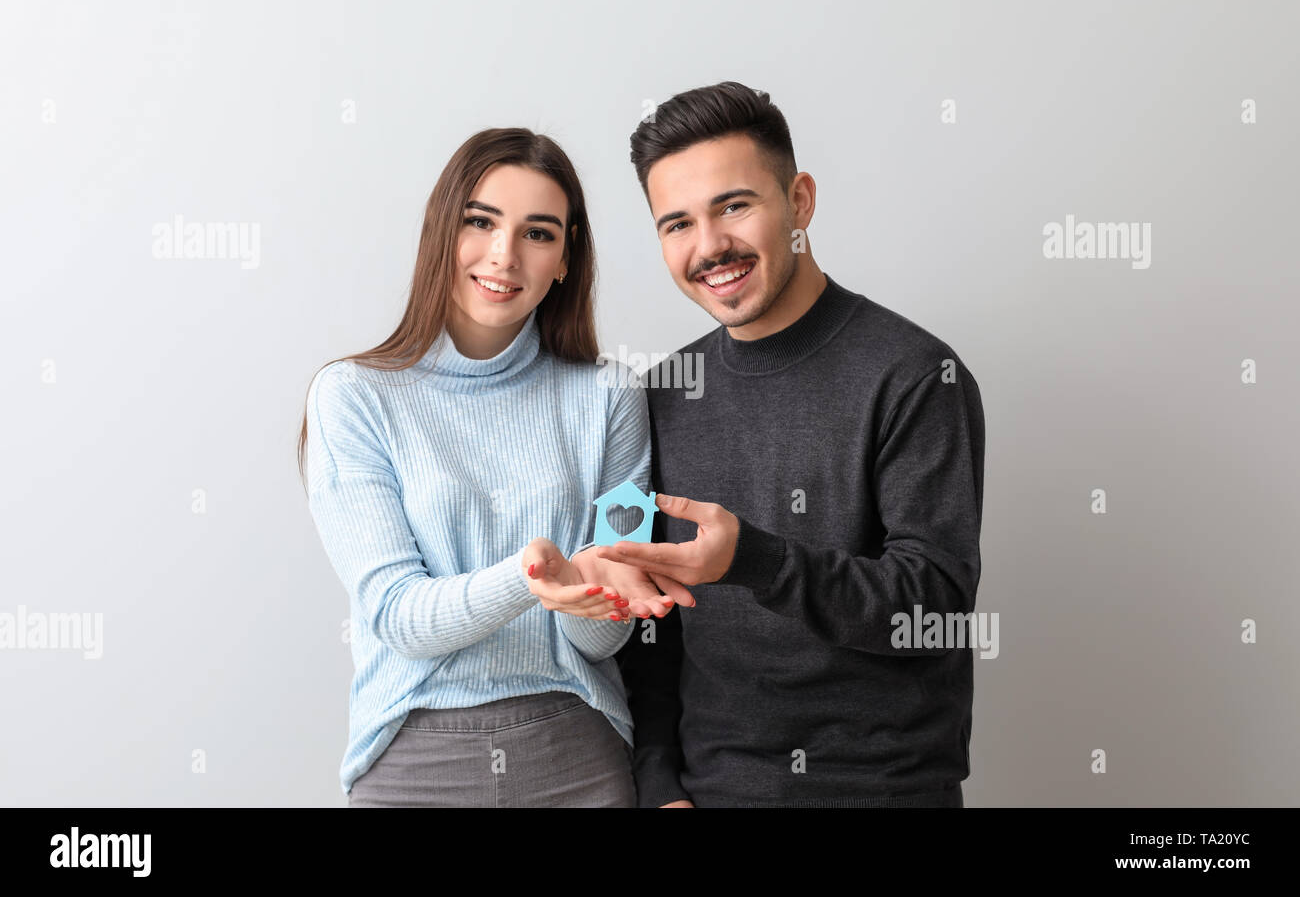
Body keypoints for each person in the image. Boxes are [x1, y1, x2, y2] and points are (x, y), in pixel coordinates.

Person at [605, 82, 986, 807]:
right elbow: (645, 625)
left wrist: (755, 559)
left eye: (734, 206)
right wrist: (659, 787)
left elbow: (932, 610)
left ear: (800, 201)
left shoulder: (914, 376)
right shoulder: (657, 396)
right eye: (677, 223)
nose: (709, 246)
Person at [296, 127, 692, 807]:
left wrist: (595, 592)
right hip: (413, 763)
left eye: (538, 233)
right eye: (481, 222)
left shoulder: (609, 397)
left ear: (566, 258)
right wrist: (533, 574)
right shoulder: (354, 397)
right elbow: (397, 615)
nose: (504, 256)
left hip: (577, 751)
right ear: (442, 233)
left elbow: (602, 641)